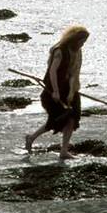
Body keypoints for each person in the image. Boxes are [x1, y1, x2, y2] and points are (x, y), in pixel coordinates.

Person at [24, 25, 90, 160]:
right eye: (81, 41)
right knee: (56, 120)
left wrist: (72, 91)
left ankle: (63, 151)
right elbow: (52, 71)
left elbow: (73, 72)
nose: (82, 44)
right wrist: (55, 91)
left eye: (84, 42)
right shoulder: (60, 50)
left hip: (70, 90)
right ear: (74, 39)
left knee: (72, 119)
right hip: (53, 90)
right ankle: (31, 137)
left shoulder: (77, 51)